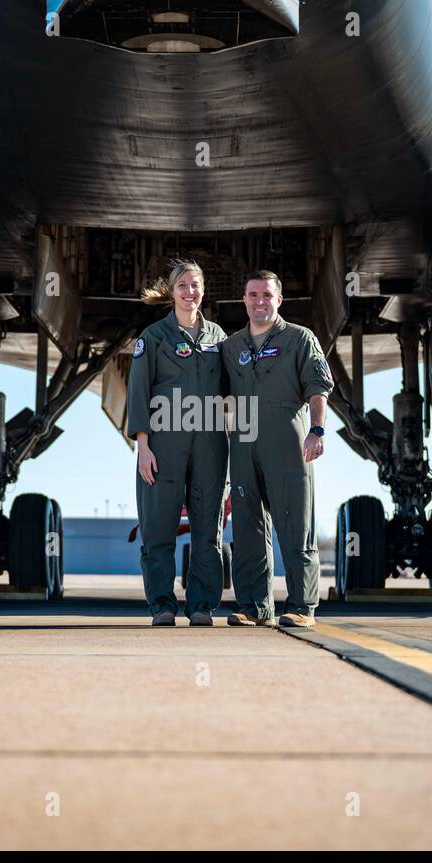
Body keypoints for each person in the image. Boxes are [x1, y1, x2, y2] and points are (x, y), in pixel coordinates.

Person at [221, 270, 332, 628]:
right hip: (243, 445)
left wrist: (317, 431)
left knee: (294, 524)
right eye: (252, 295)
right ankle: (255, 606)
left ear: (278, 300)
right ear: (244, 301)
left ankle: (302, 605)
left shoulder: (299, 339)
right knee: (248, 528)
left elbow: (318, 388)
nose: (259, 302)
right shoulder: (232, 346)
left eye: (266, 295)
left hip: (287, 444)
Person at [126, 260, 229, 626]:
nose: (190, 292)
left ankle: (202, 605)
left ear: (203, 290)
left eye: (195, 285)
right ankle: (162, 605)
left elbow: (236, 390)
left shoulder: (220, 338)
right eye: (183, 285)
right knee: (158, 528)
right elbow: (138, 392)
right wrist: (143, 446)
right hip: (163, 443)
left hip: (211, 445)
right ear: (172, 292)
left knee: (208, 530)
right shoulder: (153, 338)